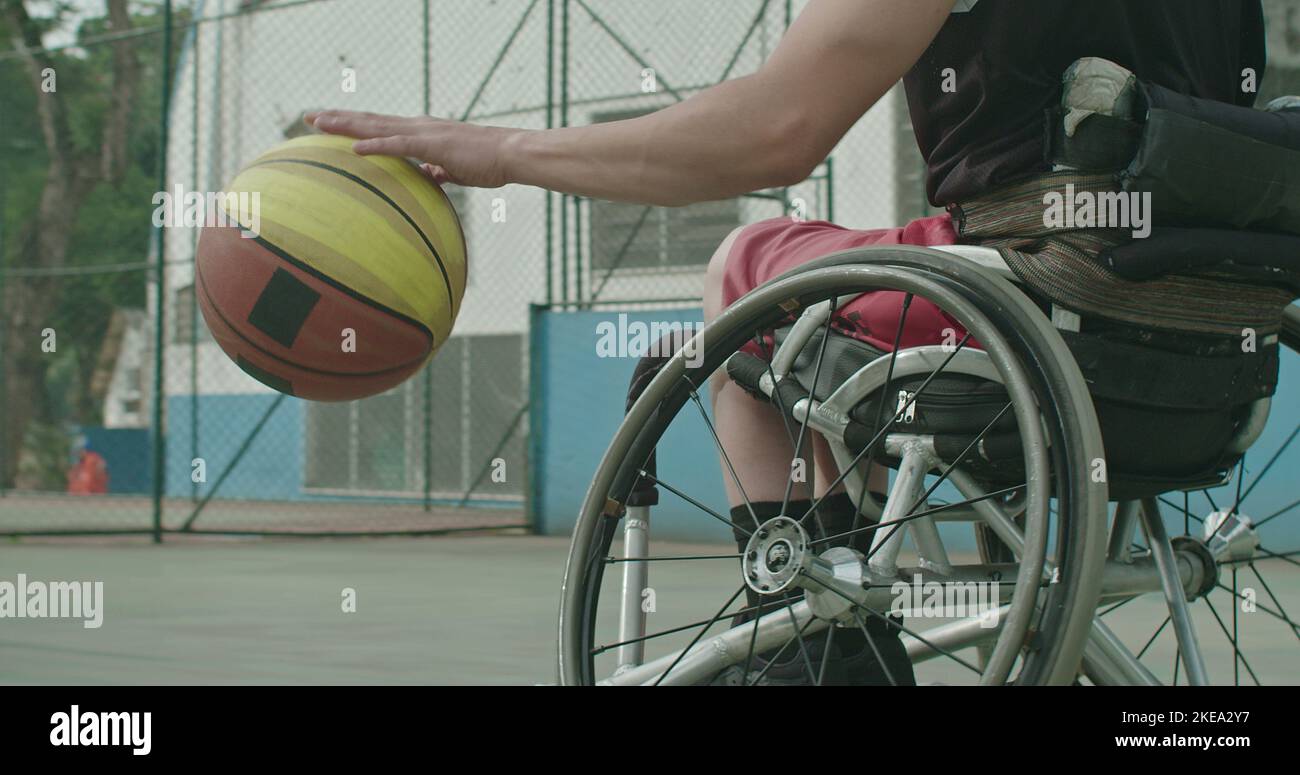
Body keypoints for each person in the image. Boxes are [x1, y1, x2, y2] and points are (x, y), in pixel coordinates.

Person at [309, 0, 1271, 684]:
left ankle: (816, 642)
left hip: (1040, 304)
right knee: (867, 313)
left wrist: (506, 151)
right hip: (1209, 359)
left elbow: (780, 129)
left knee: (751, 264)